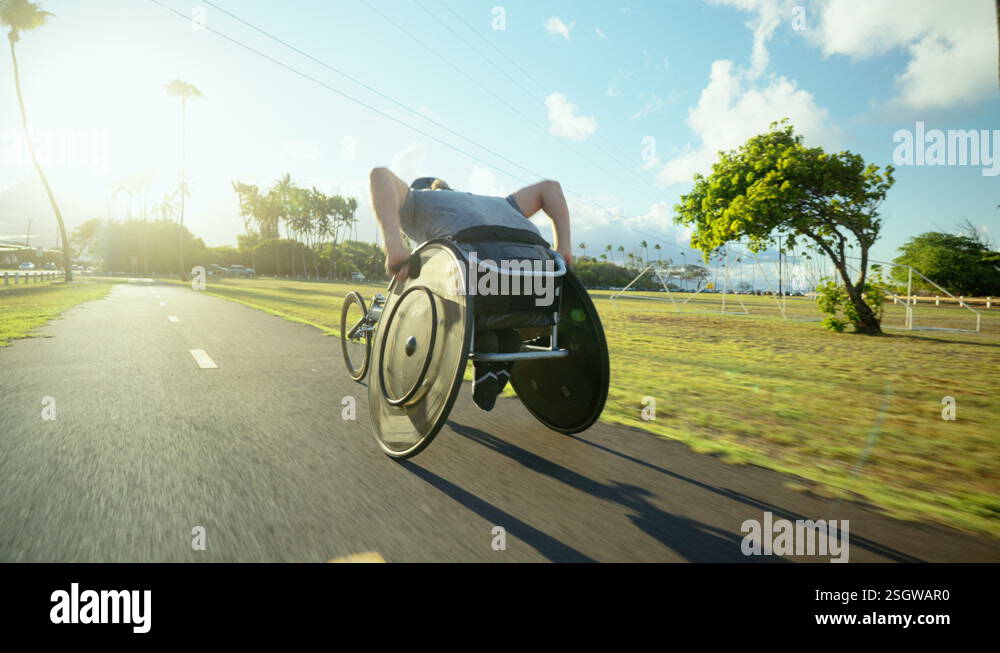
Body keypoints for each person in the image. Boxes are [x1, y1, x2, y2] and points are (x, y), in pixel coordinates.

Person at [369, 167, 573, 411]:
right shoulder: (501, 203)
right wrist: (564, 246)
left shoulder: (415, 199)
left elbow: (380, 175)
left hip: (479, 267)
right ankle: (507, 340)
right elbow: (550, 187)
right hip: (538, 273)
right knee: (496, 302)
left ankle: (485, 341)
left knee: (448, 281)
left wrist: (393, 242)